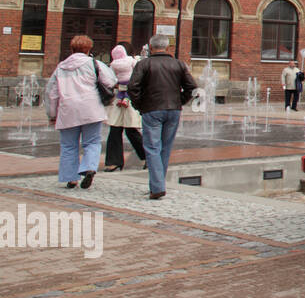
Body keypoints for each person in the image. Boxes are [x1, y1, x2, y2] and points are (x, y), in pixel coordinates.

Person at [128, 34, 198, 200]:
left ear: (151, 48)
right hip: (173, 109)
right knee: (165, 148)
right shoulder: (178, 64)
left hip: (151, 109)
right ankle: (157, 185)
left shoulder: (144, 64)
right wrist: (180, 100)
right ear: (167, 48)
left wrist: (139, 105)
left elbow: (133, 87)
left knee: (152, 148)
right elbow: (192, 87)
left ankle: (157, 186)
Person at [44, 35, 117, 189]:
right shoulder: (94, 63)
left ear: (72, 48)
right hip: (91, 108)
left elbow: (52, 92)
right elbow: (110, 81)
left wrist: (52, 114)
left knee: (69, 145)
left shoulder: (61, 67)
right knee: (92, 142)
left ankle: (71, 178)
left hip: (67, 109)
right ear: (89, 49)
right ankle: (89, 167)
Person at [104, 44, 146, 171]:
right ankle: (114, 161)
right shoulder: (121, 64)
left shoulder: (135, 63)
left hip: (130, 98)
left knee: (130, 130)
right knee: (116, 129)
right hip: (120, 99)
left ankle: (149, 156)